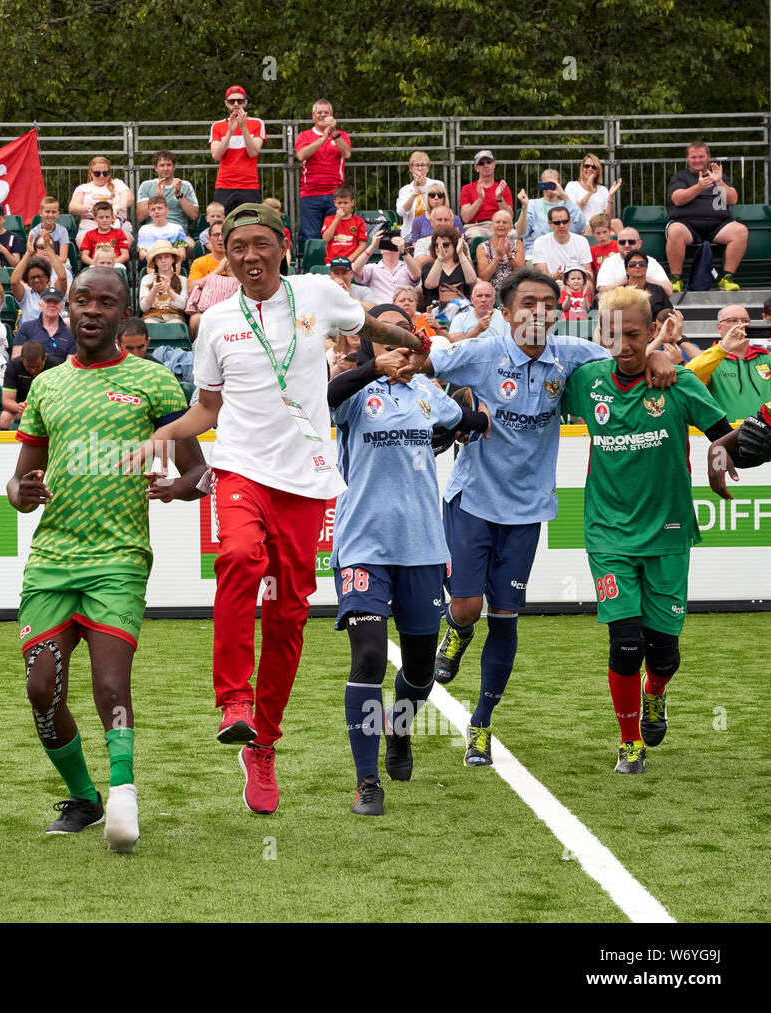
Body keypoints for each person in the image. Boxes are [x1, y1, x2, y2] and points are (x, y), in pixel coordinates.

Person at [128, 203, 427, 815]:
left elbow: (368, 324)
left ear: (282, 245)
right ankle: (233, 700)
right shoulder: (212, 321)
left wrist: (412, 341)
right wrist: (155, 442)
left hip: (307, 477)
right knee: (238, 555)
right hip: (240, 469)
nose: (250, 256)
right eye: (238, 247)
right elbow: (206, 410)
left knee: (289, 615)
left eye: (260, 244)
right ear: (226, 255)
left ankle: (261, 744)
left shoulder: (316, 292)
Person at [418, 268, 676, 766]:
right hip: (473, 499)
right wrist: (457, 417)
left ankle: (481, 725)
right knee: (469, 607)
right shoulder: (483, 354)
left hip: (529, 508)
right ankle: (458, 628)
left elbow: (627, 356)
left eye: (547, 304)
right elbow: (428, 363)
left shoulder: (572, 356)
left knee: (507, 618)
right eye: (527, 303)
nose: (538, 312)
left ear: (559, 312)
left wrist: (662, 353)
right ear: (507, 313)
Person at [7, 267, 207, 851]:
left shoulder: (154, 383)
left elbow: (198, 472)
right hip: (53, 557)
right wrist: (22, 493)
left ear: (124, 315)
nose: (91, 310)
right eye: (81, 300)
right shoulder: (45, 388)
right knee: (42, 689)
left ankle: (124, 795)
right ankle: (85, 796)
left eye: (105, 303)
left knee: (110, 683)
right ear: (67, 308)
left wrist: (176, 487)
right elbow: (18, 488)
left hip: (119, 556)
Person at [560, 286, 731, 773]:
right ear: (599, 334)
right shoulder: (587, 381)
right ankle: (629, 742)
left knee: (664, 654)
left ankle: (656, 693)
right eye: (612, 335)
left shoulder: (676, 382)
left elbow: (723, 436)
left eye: (634, 335)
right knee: (626, 643)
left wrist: (720, 464)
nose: (623, 345)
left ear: (653, 331)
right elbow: (534, 397)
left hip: (669, 532)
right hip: (607, 533)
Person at [328, 305, 490, 814]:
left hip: (422, 547)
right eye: (383, 337)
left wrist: (485, 416)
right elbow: (324, 399)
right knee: (371, 655)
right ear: (369, 344)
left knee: (420, 668)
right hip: (362, 546)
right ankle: (366, 781)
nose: (394, 346)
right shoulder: (353, 394)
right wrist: (370, 371)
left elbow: (466, 421)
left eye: (402, 336)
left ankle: (399, 730)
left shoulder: (427, 395)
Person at [665, 141, 744, 292]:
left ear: (708, 157)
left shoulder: (719, 177)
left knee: (740, 231)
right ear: (687, 158)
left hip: (718, 225)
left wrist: (719, 181)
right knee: (674, 231)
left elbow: (733, 199)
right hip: (687, 225)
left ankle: (726, 278)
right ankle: (676, 279)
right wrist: (699, 187)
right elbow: (677, 199)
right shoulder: (680, 177)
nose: (697, 160)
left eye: (701, 156)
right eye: (693, 157)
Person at [683, 303, 771, 422]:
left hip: (765, 435)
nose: (740, 324)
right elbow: (688, 379)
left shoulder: (765, 357)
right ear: (719, 327)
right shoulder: (711, 359)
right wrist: (723, 348)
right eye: (733, 320)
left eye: (745, 320)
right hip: (725, 437)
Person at [295, 99, 352, 242]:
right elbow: (301, 155)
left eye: (326, 112)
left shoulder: (341, 134)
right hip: (310, 194)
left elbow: (347, 153)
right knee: (311, 238)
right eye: (319, 112)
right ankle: (312, 265)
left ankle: (336, 265)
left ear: (331, 115)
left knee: (338, 236)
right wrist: (323, 139)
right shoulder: (304, 135)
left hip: (336, 195)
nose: (322, 115)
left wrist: (334, 133)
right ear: (313, 115)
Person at [208, 86, 266, 215]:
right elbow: (216, 155)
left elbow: (253, 152)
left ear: (245, 103)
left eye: (239, 101)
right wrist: (230, 130)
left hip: (249, 185)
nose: (235, 104)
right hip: (224, 185)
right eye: (231, 101)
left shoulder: (257, 123)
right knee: (221, 225)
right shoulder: (217, 126)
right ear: (226, 103)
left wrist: (243, 127)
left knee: (250, 226)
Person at [69, 157, 134, 241]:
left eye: (105, 173)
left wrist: (116, 207)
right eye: (97, 173)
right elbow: (72, 207)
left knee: (122, 244)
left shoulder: (118, 184)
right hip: (90, 227)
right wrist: (93, 209)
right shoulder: (83, 188)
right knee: (87, 244)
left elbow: (130, 198)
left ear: (109, 173)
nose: (101, 176)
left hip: (116, 226)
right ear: (91, 173)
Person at [519, 169, 588, 247]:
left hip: (563, 251)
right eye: (546, 184)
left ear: (559, 184)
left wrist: (565, 197)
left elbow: (581, 226)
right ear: (541, 185)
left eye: (552, 184)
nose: (549, 188)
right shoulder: (531, 204)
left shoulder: (567, 205)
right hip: (536, 253)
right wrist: (524, 207)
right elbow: (521, 233)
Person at [136, 150, 199, 232]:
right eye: (162, 165)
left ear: (174, 167)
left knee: (190, 243)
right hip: (153, 231)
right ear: (156, 168)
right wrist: (157, 197)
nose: (165, 168)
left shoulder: (185, 185)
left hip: (178, 231)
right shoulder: (146, 185)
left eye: (168, 165)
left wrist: (179, 195)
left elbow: (194, 215)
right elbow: (140, 217)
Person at [594, 228, 670, 294]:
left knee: (665, 311)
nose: (626, 245)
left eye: (631, 242)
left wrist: (645, 279)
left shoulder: (651, 262)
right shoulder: (609, 262)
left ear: (639, 244)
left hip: (647, 307)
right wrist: (624, 281)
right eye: (622, 242)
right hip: (617, 308)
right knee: (607, 311)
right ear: (617, 244)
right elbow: (602, 293)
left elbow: (669, 291)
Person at [1, 338, 55, 430]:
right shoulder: (13, 366)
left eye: (37, 366)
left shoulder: (55, 366)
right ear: (22, 359)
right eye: (29, 367)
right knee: (5, 417)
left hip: (48, 411)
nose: (33, 370)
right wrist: (20, 408)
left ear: (45, 358)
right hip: (22, 411)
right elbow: (7, 401)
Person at [351, 231, 420, 303]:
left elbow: (417, 275)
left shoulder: (407, 267)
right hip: (381, 310)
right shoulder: (373, 268)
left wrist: (403, 251)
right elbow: (355, 269)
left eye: (394, 246)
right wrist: (372, 246)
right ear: (381, 250)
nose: (390, 249)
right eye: (386, 246)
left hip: (404, 309)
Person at [458, 150, 513, 240]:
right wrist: (480, 199)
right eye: (481, 163)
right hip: (477, 226)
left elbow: (510, 216)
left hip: (500, 225)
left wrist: (499, 198)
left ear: (494, 164)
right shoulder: (467, 188)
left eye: (489, 162)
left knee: (514, 235)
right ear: (476, 168)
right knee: (475, 237)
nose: (486, 165)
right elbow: (466, 218)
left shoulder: (503, 188)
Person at [530, 206, 593, 282]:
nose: (562, 226)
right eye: (557, 223)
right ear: (550, 224)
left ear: (570, 221)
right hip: (552, 283)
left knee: (589, 283)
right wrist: (554, 276)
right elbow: (541, 275)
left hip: (577, 283)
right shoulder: (540, 242)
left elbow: (588, 271)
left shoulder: (582, 241)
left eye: (565, 222)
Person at [566, 154, 623, 235]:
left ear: (598, 171)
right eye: (587, 166)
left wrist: (610, 196)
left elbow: (608, 218)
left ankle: (627, 246)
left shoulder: (603, 190)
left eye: (594, 167)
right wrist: (590, 193)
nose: (590, 169)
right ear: (582, 168)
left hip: (601, 226)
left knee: (616, 223)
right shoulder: (572, 186)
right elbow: (572, 212)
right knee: (607, 233)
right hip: (582, 228)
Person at [421, 226, 475, 308]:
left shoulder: (464, 265)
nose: (441, 248)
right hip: (436, 314)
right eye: (437, 245)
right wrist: (440, 258)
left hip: (462, 312)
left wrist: (460, 253)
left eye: (445, 244)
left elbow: (472, 280)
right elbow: (430, 284)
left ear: (454, 245)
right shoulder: (428, 266)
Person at [12, 288, 73, 360]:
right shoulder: (26, 328)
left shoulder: (70, 334)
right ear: (40, 305)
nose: (52, 305)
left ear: (62, 307)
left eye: (56, 302)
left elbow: (70, 363)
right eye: (48, 301)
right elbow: (16, 358)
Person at [616, 249, 673, 321]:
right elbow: (610, 322)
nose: (637, 266)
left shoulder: (658, 290)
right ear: (626, 270)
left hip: (655, 330)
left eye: (642, 264)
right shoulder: (618, 292)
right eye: (632, 264)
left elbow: (670, 315)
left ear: (646, 268)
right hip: (627, 331)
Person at [397, 152, 446, 234]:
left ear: (428, 168)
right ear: (410, 168)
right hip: (410, 233)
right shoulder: (404, 190)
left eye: (423, 165)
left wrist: (422, 188)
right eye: (417, 165)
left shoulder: (437, 184)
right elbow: (401, 212)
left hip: (433, 231)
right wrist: (414, 194)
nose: (420, 169)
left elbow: (440, 208)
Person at [474, 207, 525, 286]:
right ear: (491, 226)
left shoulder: (518, 244)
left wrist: (509, 254)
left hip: (514, 286)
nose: (501, 225)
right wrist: (497, 257)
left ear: (510, 227)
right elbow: (483, 278)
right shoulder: (482, 247)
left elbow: (522, 275)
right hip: (491, 288)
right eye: (498, 222)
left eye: (504, 222)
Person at [138, 242, 186, 322]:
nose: (163, 260)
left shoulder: (182, 280)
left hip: (174, 315)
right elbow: (143, 308)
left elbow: (184, 306)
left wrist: (169, 291)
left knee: (175, 323)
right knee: (148, 323)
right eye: (159, 258)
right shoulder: (147, 279)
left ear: (172, 259)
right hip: (152, 315)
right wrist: (154, 290)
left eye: (167, 257)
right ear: (155, 261)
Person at [135, 196, 189, 267]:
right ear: (149, 212)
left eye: (160, 208)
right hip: (152, 265)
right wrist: (157, 258)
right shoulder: (144, 230)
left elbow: (182, 254)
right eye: (153, 209)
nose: (156, 212)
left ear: (167, 210)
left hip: (173, 264)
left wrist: (167, 259)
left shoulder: (177, 228)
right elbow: (142, 255)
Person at [320, 185, 367, 263]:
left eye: (345, 203)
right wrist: (337, 219)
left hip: (352, 262)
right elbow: (326, 239)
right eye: (339, 203)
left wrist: (349, 260)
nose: (342, 206)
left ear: (352, 202)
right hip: (332, 262)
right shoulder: (329, 219)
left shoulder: (359, 221)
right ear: (335, 203)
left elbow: (362, 245)